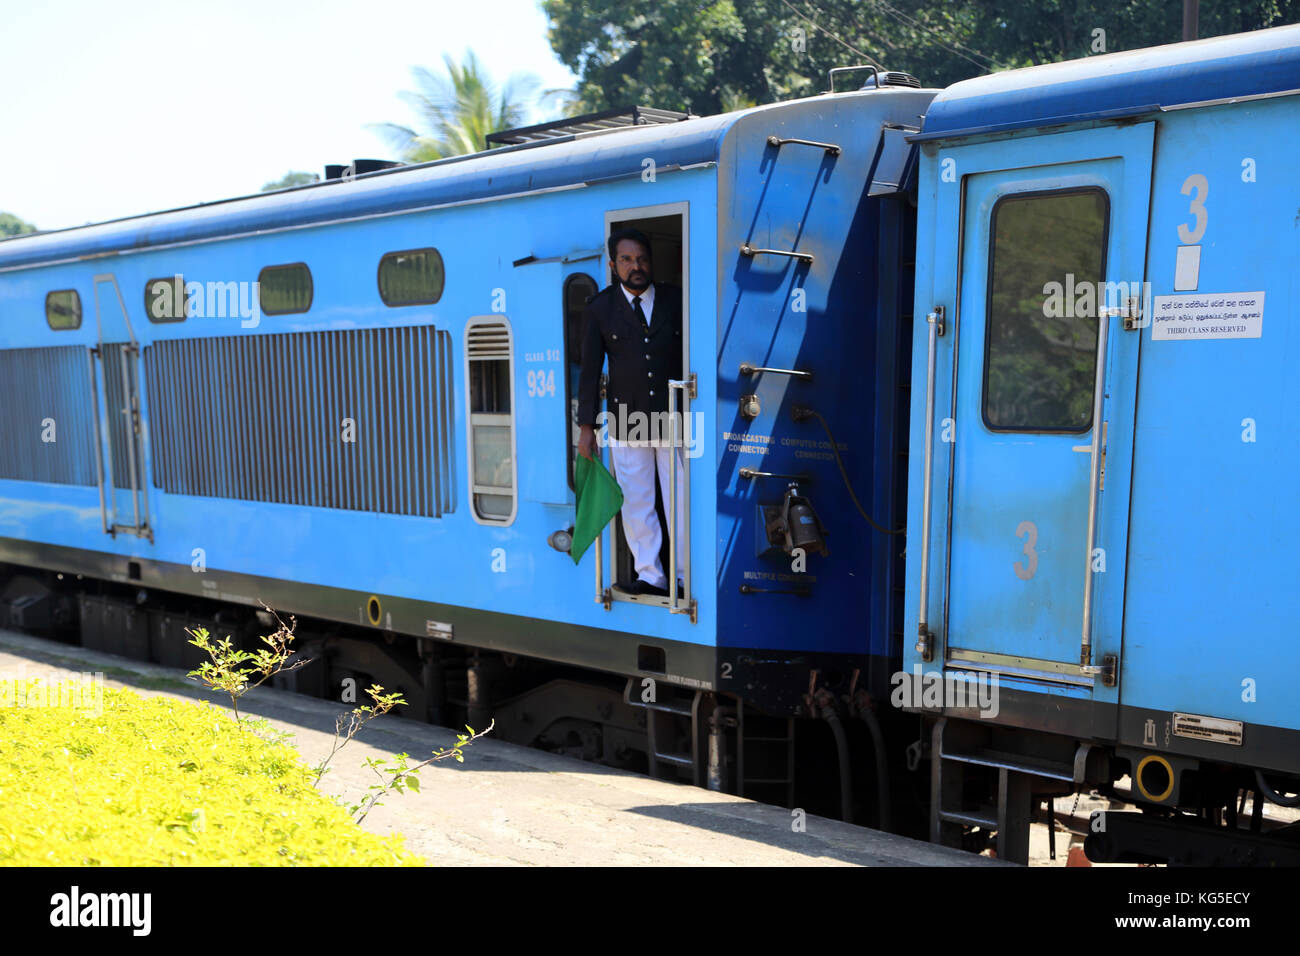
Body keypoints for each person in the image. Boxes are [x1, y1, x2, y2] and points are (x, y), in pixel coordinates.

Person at [576, 228, 685, 597]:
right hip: (625, 419)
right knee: (637, 499)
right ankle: (651, 575)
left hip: (674, 415)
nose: (635, 266)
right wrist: (586, 428)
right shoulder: (599, 308)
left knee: (680, 499)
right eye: (626, 260)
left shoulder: (676, 299)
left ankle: (685, 575)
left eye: (641, 259)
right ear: (612, 265)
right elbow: (590, 372)